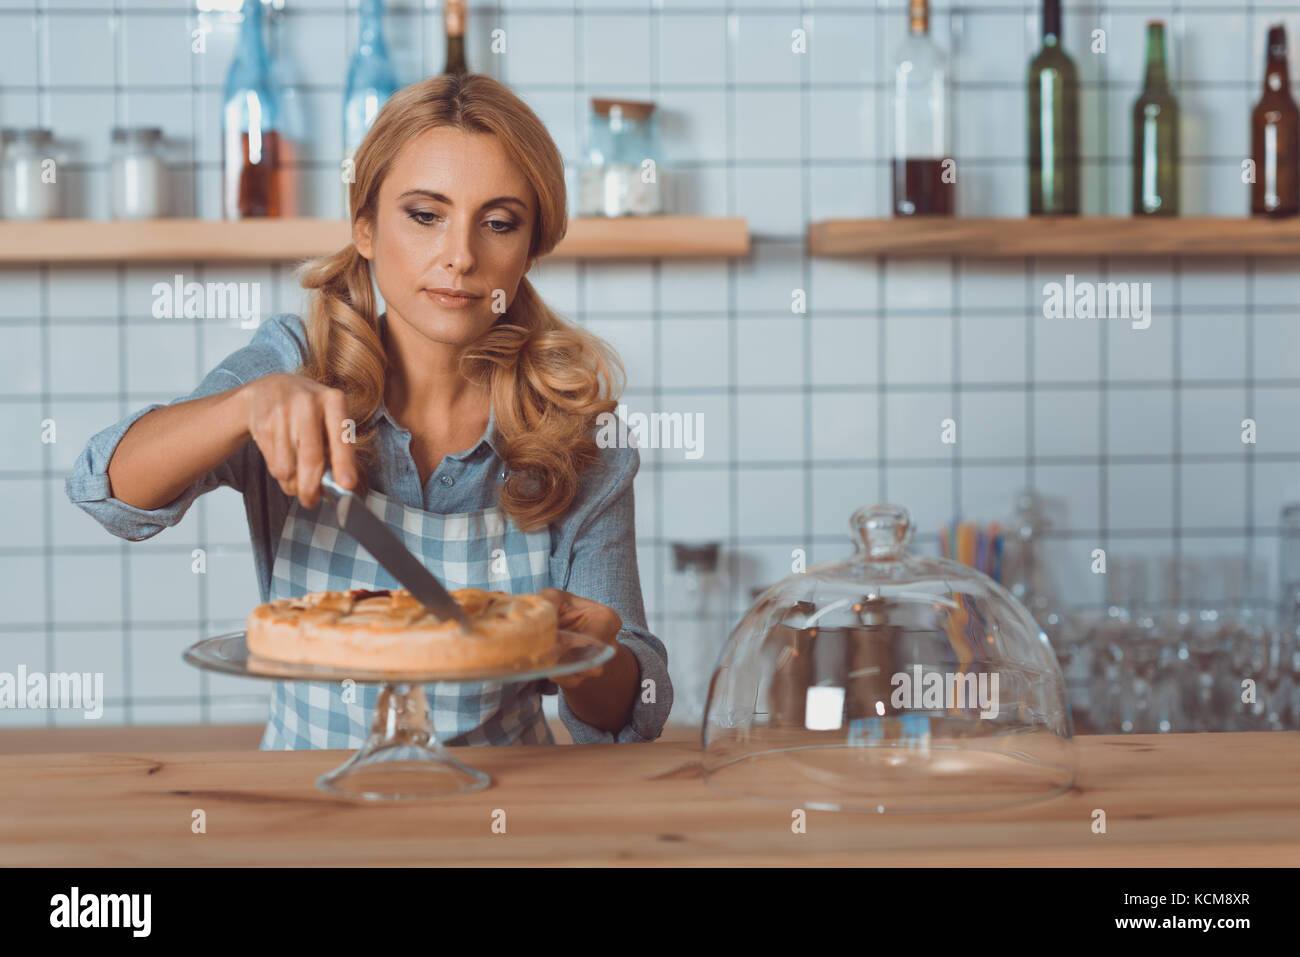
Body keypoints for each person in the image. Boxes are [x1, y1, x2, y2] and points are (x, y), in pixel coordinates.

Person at [65, 73, 671, 749]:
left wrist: (586, 658)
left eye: (498, 223)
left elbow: (635, 708)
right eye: (424, 215)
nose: (461, 256)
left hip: (502, 821)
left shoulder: (575, 430)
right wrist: (244, 406)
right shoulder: (294, 363)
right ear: (365, 227)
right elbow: (105, 486)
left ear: (531, 246)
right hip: (310, 813)